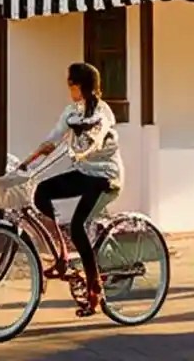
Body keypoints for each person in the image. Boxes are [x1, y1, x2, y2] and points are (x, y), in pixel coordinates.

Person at [18, 62, 123, 315]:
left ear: (80, 86)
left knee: (77, 227)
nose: (69, 88)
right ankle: (63, 257)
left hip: (105, 177)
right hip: (85, 173)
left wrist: (84, 151)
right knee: (42, 192)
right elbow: (52, 139)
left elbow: (97, 137)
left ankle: (95, 288)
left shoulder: (102, 113)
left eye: (70, 84)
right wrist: (26, 163)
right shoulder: (71, 111)